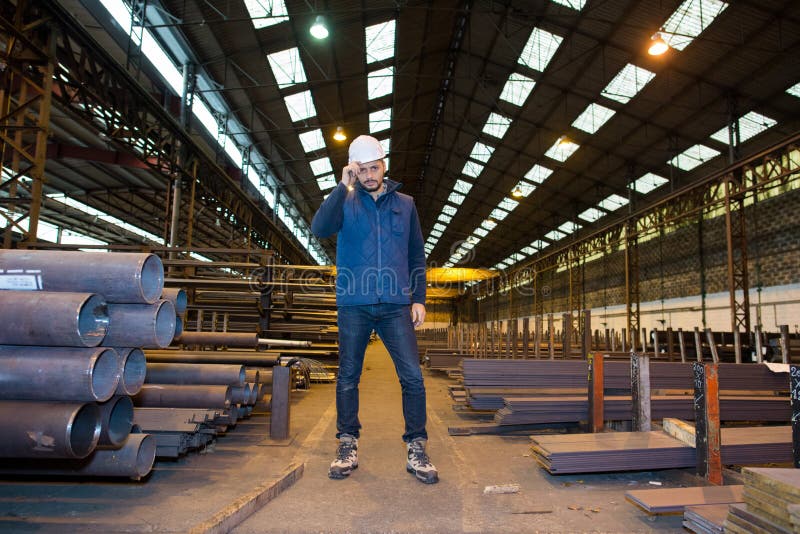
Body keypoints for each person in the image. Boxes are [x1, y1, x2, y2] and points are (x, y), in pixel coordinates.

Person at [310, 134, 438, 484]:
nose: (368, 175)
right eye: (361, 169)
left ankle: (417, 446)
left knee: (412, 376)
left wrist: (419, 298)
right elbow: (318, 228)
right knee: (348, 376)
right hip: (354, 302)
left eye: (373, 167)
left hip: (396, 303)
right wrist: (341, 186)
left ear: (384, 165)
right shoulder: (345, 202)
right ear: (353, 169)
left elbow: (416, 254)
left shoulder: (406, 205)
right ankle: (347, 442)